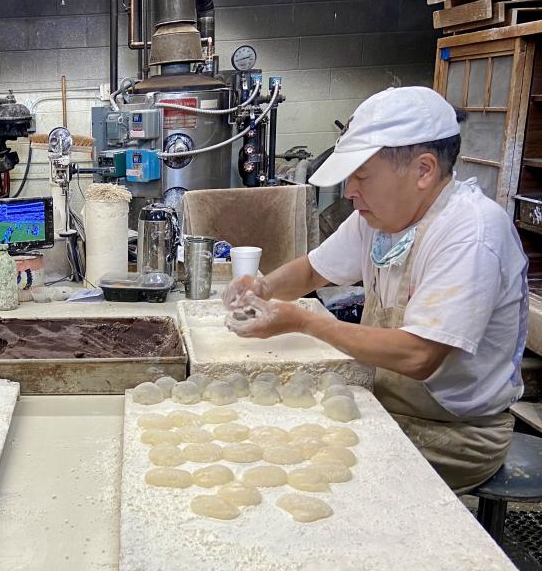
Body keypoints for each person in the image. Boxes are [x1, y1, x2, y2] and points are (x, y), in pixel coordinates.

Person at [225, 86, 527, 494]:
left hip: (454, 433)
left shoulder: (470, 233)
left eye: (362, 175)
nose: (350, 190)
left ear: (423, 170)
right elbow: (312, 271)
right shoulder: (379, 219)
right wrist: (262, 287)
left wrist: (303, 321)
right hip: (384, 400)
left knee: (311, 475)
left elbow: (418, 356)